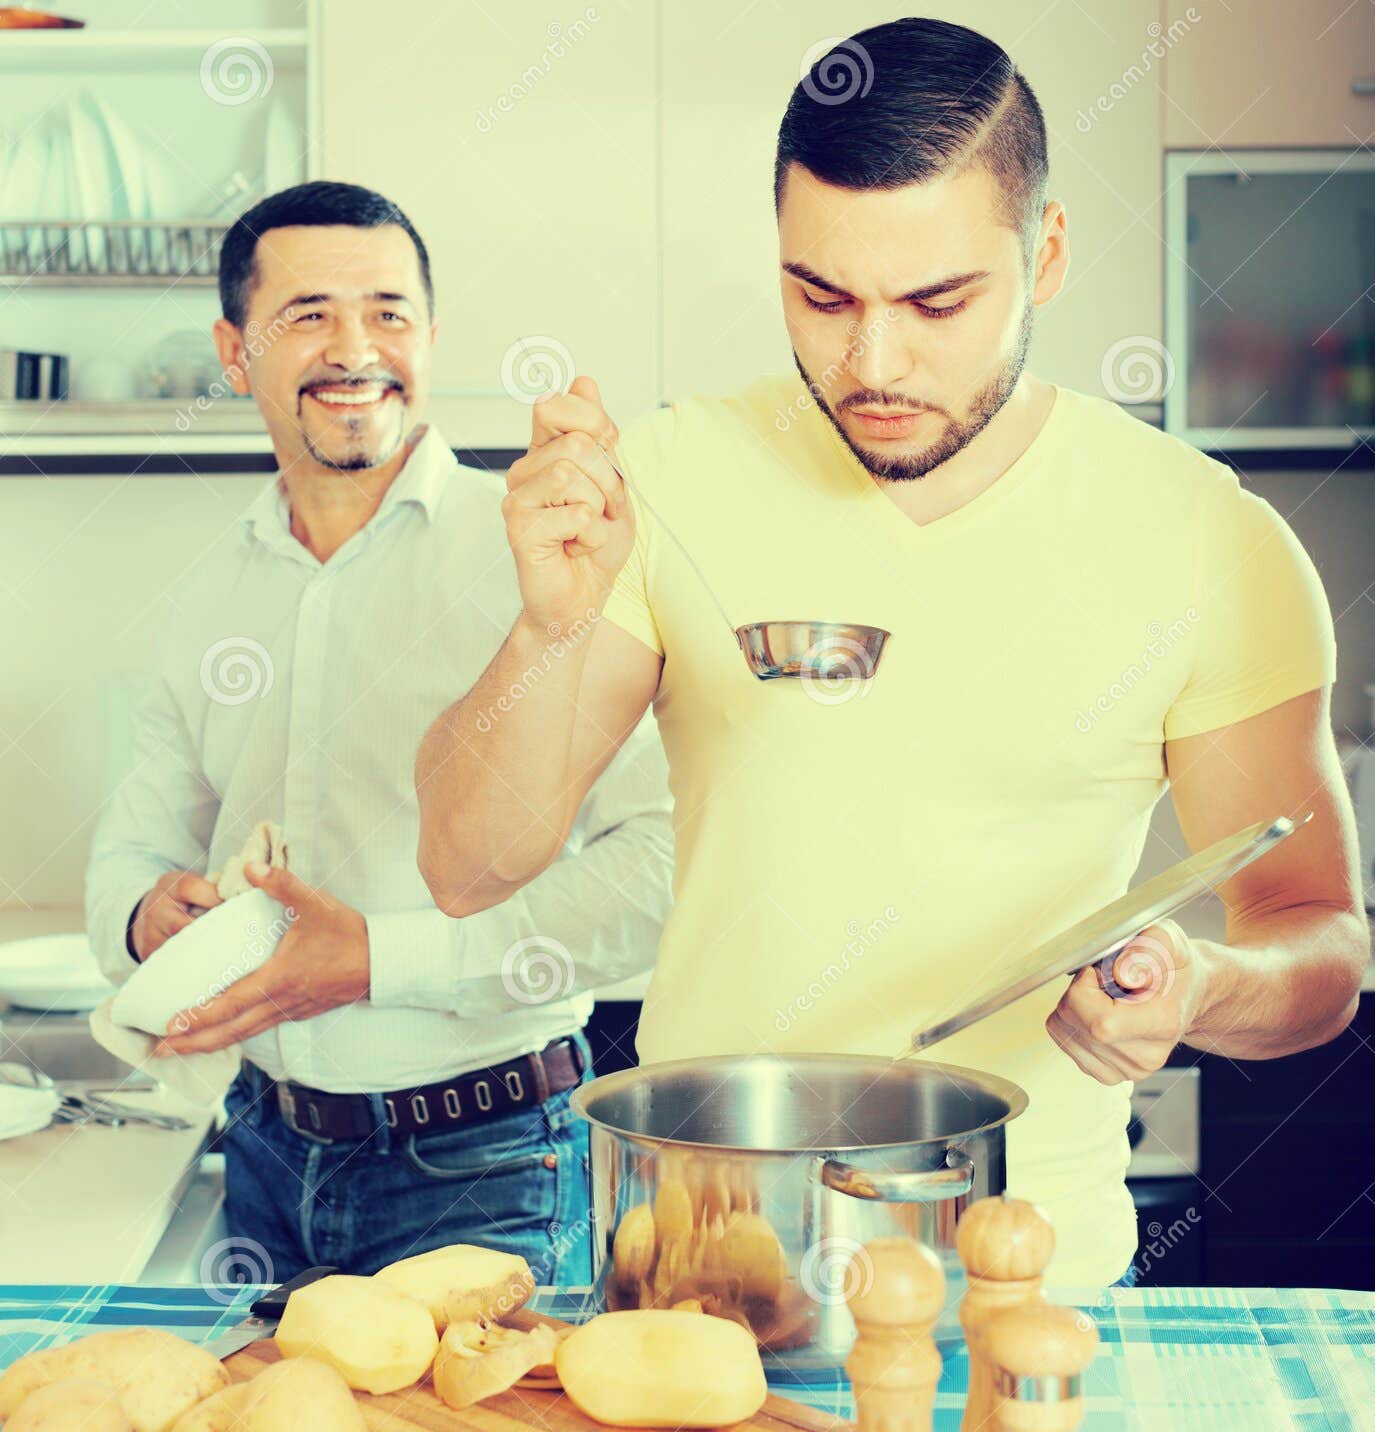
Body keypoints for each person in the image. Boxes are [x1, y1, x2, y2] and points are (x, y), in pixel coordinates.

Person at [414, 19, 1367, 1290]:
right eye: (823, 297)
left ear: (1049, 252)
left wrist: (1198, 988)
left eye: (937, 302)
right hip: (703, 1259)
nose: (873, 363)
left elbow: (1318, 942)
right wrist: (549, 627)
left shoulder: (1205, 541)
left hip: (1023, 1272)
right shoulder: (672, 480)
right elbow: (469, 865)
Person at [85, 180, 673, 1287]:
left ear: (431, 340)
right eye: (308, 313)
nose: (355, 348)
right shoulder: (211, 597)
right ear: (232, 347)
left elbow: (657, 874)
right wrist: (146, 914)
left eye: (388, 312)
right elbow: (128, 851)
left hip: (488, 1160)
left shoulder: (546, 564)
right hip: (261, 1152)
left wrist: (376, 962)